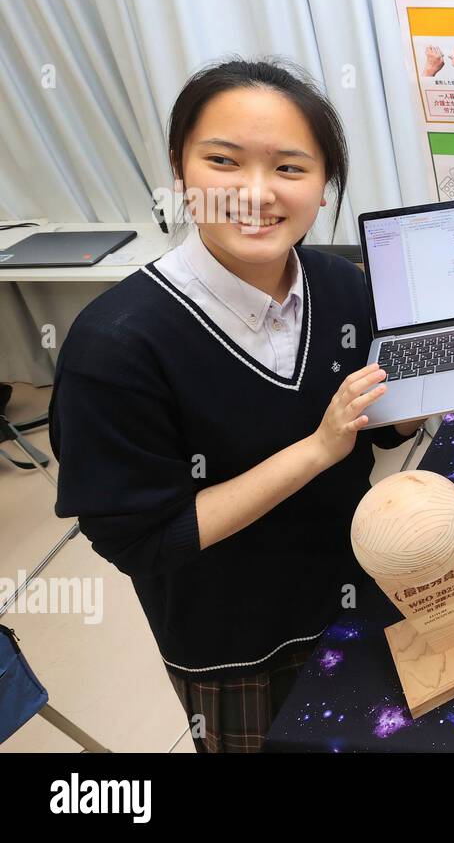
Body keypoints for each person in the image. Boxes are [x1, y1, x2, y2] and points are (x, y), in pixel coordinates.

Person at [50, 58, 425, 751]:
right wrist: (316, 448)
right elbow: (143, 539)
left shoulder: (342, 287)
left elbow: (372, 433)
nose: (254, 193)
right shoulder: (114, 346)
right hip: (234, 638)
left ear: (322, 185)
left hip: (355, 586)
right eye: (224, 161)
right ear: (179, 167)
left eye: (289, 168)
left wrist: (417, 398)